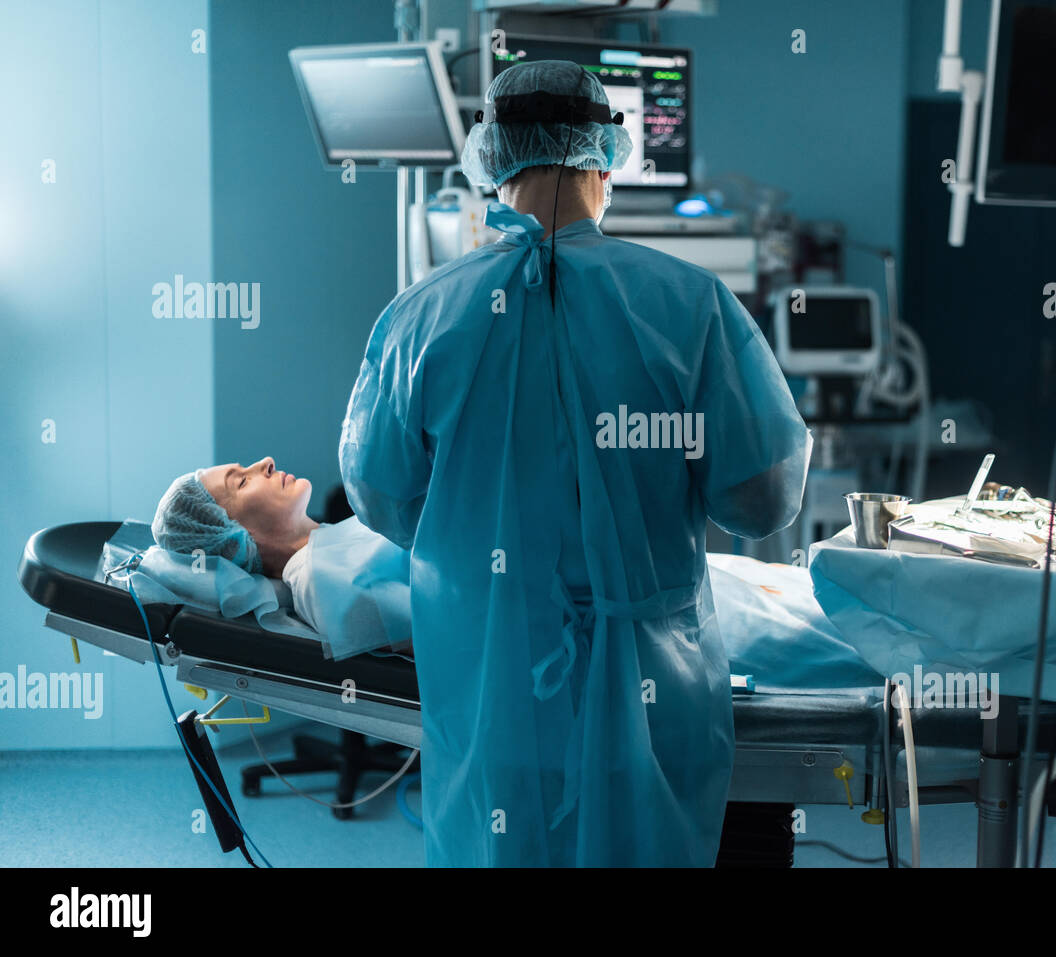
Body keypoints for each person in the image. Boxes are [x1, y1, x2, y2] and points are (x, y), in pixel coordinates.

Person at [340, 59, 811, 867]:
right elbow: (762, 500)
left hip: (490, 678)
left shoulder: (421, 319)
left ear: (494, 158)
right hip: (651, 694)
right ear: (605, 155)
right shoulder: (690, 306)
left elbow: (382, 497)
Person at [152, 460, 410, 659]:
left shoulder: (330, 545)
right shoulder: (319, 580)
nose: (266, 462)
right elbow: (440, 632)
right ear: (235, 538)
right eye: (242, 482)